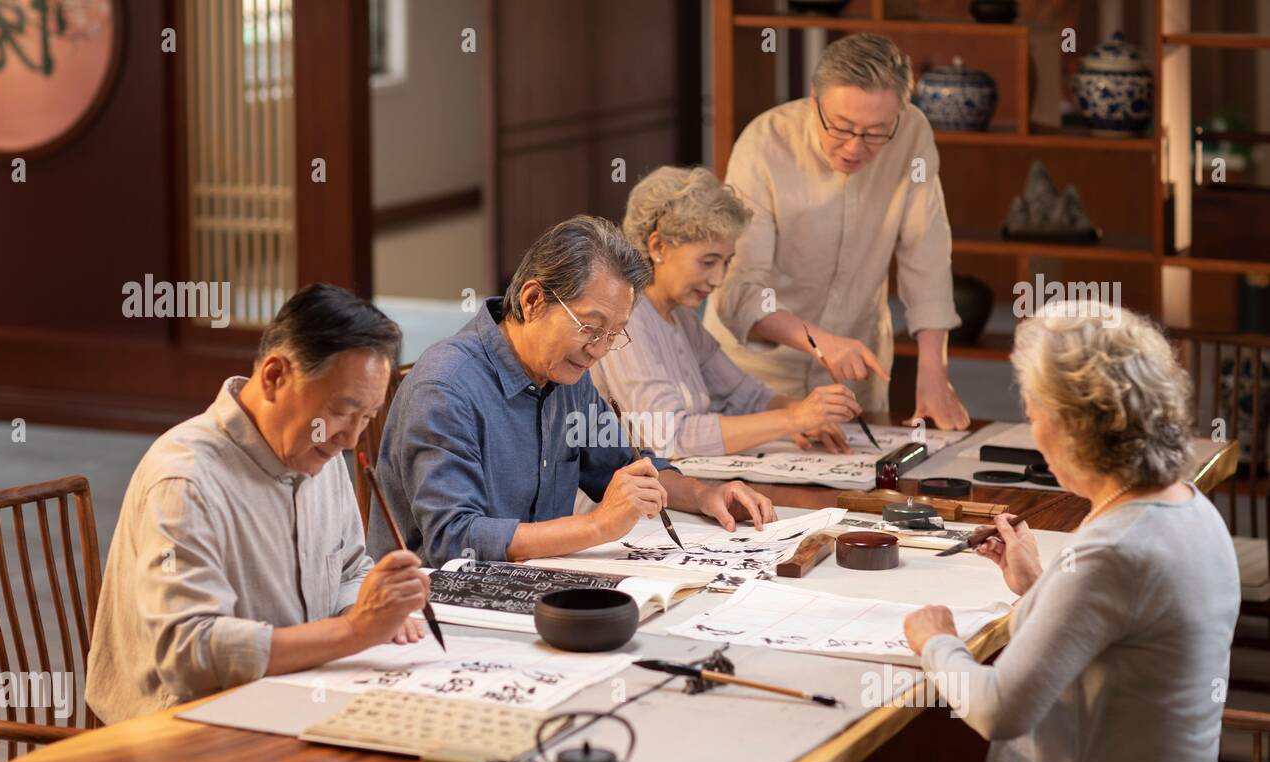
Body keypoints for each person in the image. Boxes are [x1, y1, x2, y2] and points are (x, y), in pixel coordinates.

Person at [883, 302, 1238, 762]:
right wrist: (1040, 586)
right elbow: (1123, 627)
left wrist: (935, 640)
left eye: (1033, 409)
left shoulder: (1115, 548)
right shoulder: (1186, 507)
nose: (1032, 426)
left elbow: (1000, 711)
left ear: (1076, 425)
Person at [86, 284, 432, 723]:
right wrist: (353, 630)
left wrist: (369, 602)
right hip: (184, 731)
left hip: (296, 698)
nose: (350, 439)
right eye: (343, 410)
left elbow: (349, 566)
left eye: (367, 417)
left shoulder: (318, 450)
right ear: (273, 377)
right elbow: (187, 652)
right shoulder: (186, 479)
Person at [367, 215, 777, 568]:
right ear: (532, 300)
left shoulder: (567, 376)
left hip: (539, 584)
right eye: (589, 328)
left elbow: (627, 467)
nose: (598, 351)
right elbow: (454, 539)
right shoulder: (446, 386)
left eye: (614, 335)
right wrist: (597, 526)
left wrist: (707, 495)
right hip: (439, 611)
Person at [705, 32, 970, 430]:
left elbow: (926, 256)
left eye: (876, 132)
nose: (854, 148)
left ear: (900, 110)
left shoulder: (913, 134)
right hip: (755, 378)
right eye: (841, 127)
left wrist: (935, 370)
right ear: (814, 99)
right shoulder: (764, 144)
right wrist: (820, 342)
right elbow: (740, 290)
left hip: (851, 377)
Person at [591, 164, 862, 459]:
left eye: (726, 263)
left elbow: (746, 395)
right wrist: (793, 420)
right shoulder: (627, 319)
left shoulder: (681, 319)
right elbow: (668, 436)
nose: (718, 279)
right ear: (658, 246)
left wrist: (807, 412)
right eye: (708, 262)